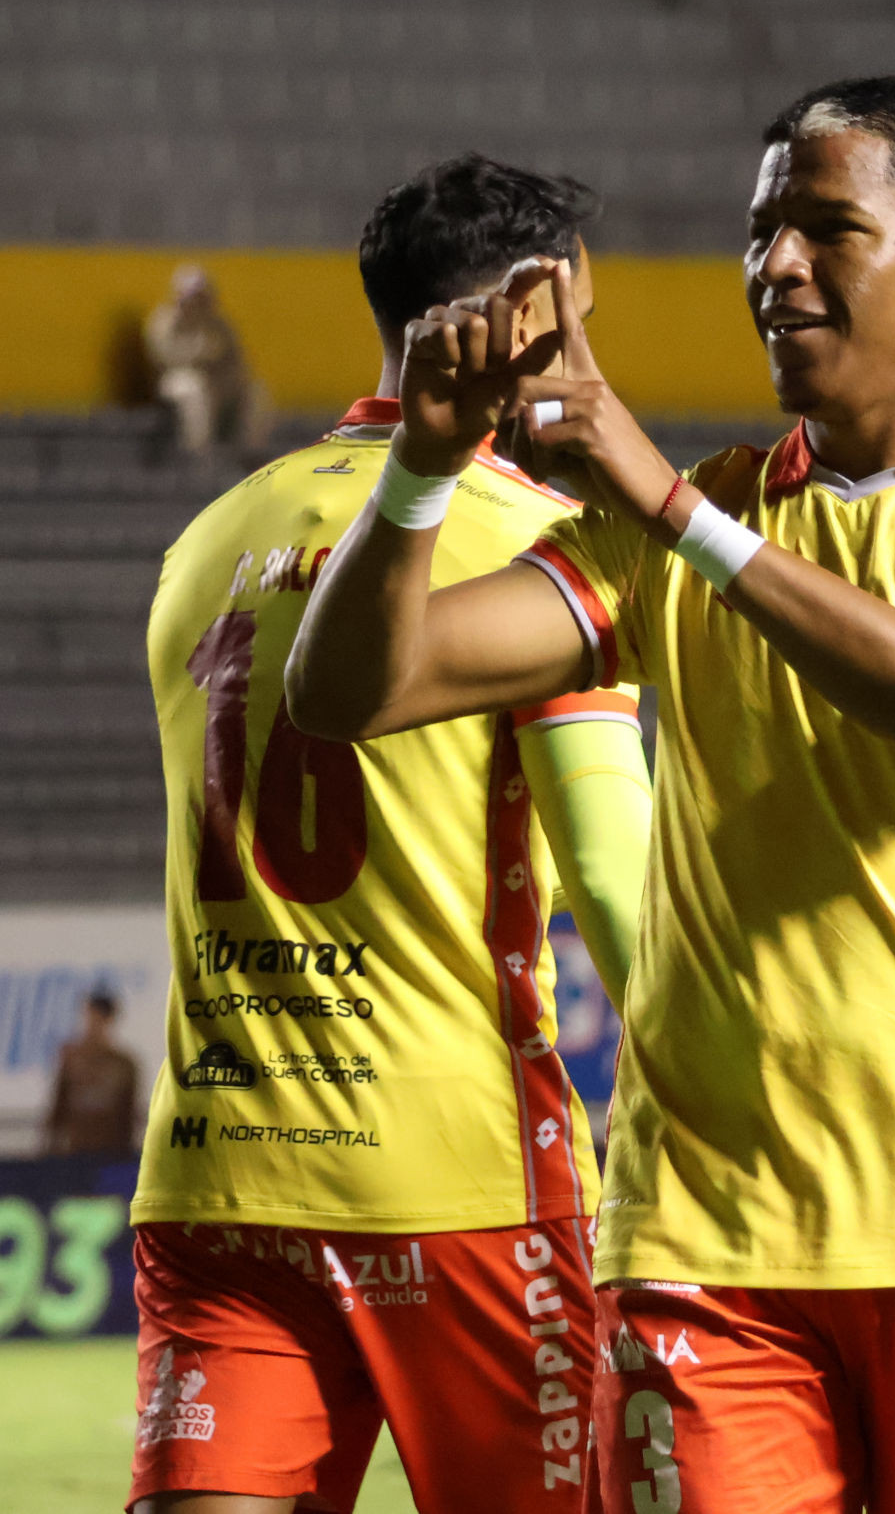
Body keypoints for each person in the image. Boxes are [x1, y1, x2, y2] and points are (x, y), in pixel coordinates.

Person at [285, 76, 895, 1514]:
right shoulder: (686, 523)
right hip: (703, 1236)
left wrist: (671, 507)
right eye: (761, 233)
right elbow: (351, 693)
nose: (775, 267)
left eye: (826, 229)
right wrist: (422, 471)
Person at [130, 155, 653, 1514]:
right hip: (456, 1170)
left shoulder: (205, 541)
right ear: (523, 320)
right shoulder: (537, 546)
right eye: (583, 319)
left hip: (217, 1161)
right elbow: (613, 879)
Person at [144, 265, 269, 464]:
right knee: (194, 389)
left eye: (201, 295)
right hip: (177, 380)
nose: (197, 301)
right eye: (192, 296)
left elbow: (237, 359)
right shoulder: (165, 321)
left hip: (217, 383)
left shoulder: (218, 323)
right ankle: (198, 454)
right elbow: (162, 358)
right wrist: (199, 353)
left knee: (255, 390)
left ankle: (250, 454)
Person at [44, 991, 140, 1157]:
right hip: (76, 1148)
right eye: (89, 1017)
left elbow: (129, 1110)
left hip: (113, 1149)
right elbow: (59, 1105)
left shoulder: (124, 1064)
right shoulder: (72, 1059)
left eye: (97, 1018)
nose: (91, 1024)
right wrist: (50, 1146)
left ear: (109, 1020)